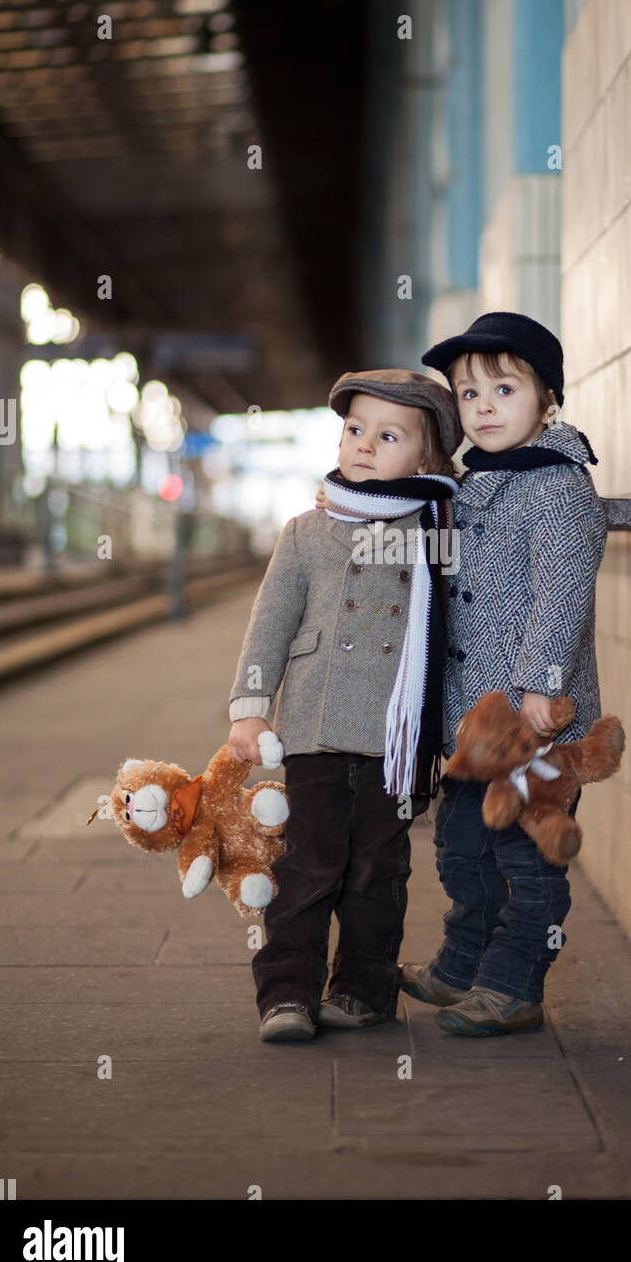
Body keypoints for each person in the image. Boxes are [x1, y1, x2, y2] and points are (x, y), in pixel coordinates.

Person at [228, 370, 461, 1042]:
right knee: (307, 865)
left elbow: (461, 625)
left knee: (377, 870)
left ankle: (362, 988)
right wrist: (250, 705)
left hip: (397, 730)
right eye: (355, 429)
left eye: (387, 435)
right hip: (316, 725)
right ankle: (287, 994)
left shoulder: (438, 529)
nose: (363, 444)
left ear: (424, 460)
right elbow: (269, 623)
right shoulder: (307, 530)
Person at [400, 311, 607, 1037]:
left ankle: (515, 985)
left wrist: (542, 687)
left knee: (526, 861)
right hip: (470, 727)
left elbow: (563, 592)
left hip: (532, 726)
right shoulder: (472, 483)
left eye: (504, 388)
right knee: (460, 849)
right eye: (467, 394)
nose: (483, 406)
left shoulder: (556, 486)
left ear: (547, 400)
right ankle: (461, 968)